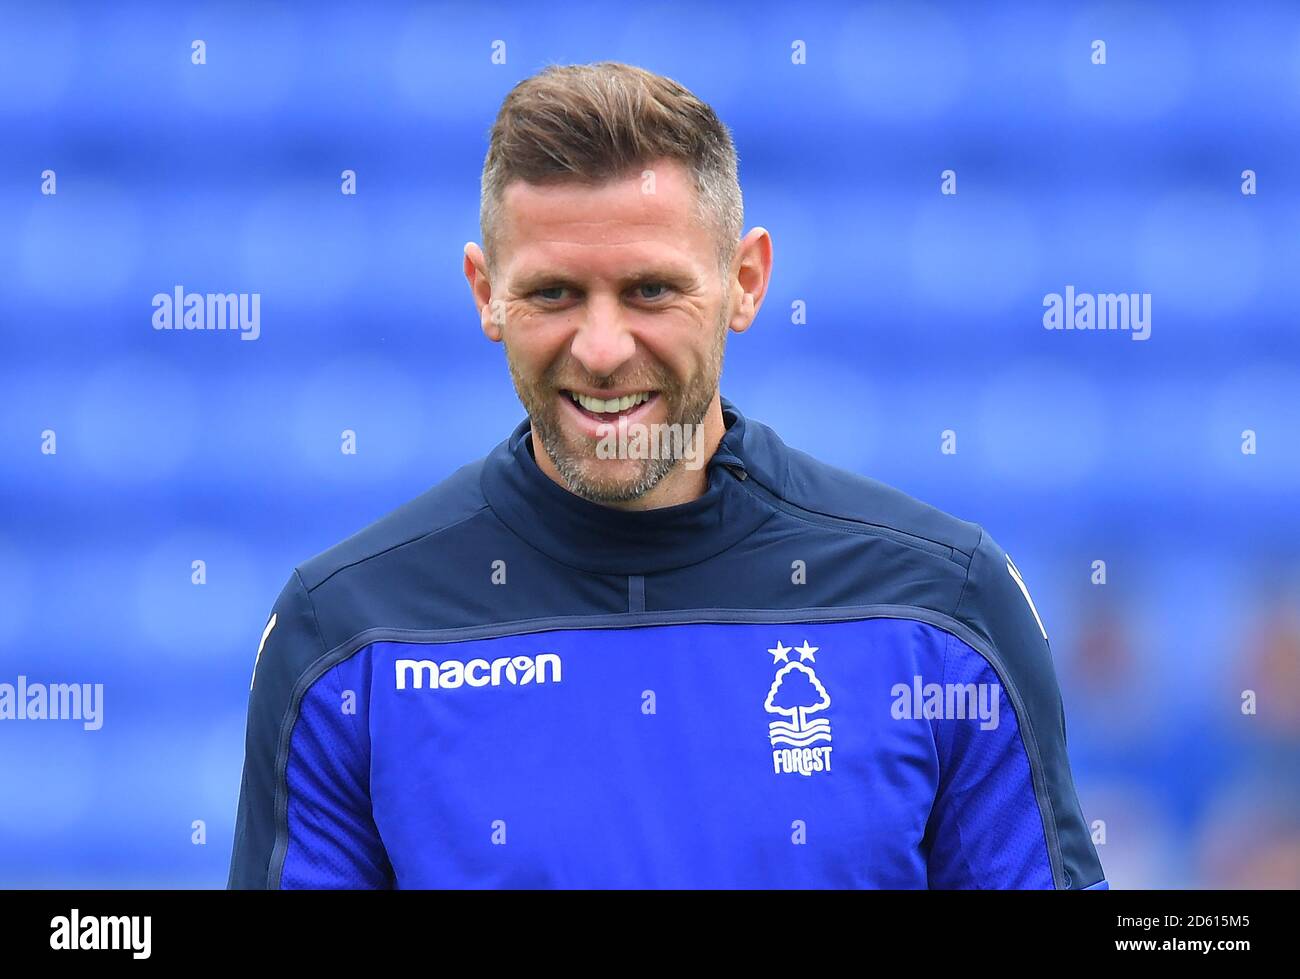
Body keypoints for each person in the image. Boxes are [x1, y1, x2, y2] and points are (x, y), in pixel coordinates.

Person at [228, 61, 1107, 890]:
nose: (603, 350)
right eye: (553, 294)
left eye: (650, 290)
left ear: (746, 280)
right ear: (485, 292)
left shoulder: (940, 606)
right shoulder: (350, 634)